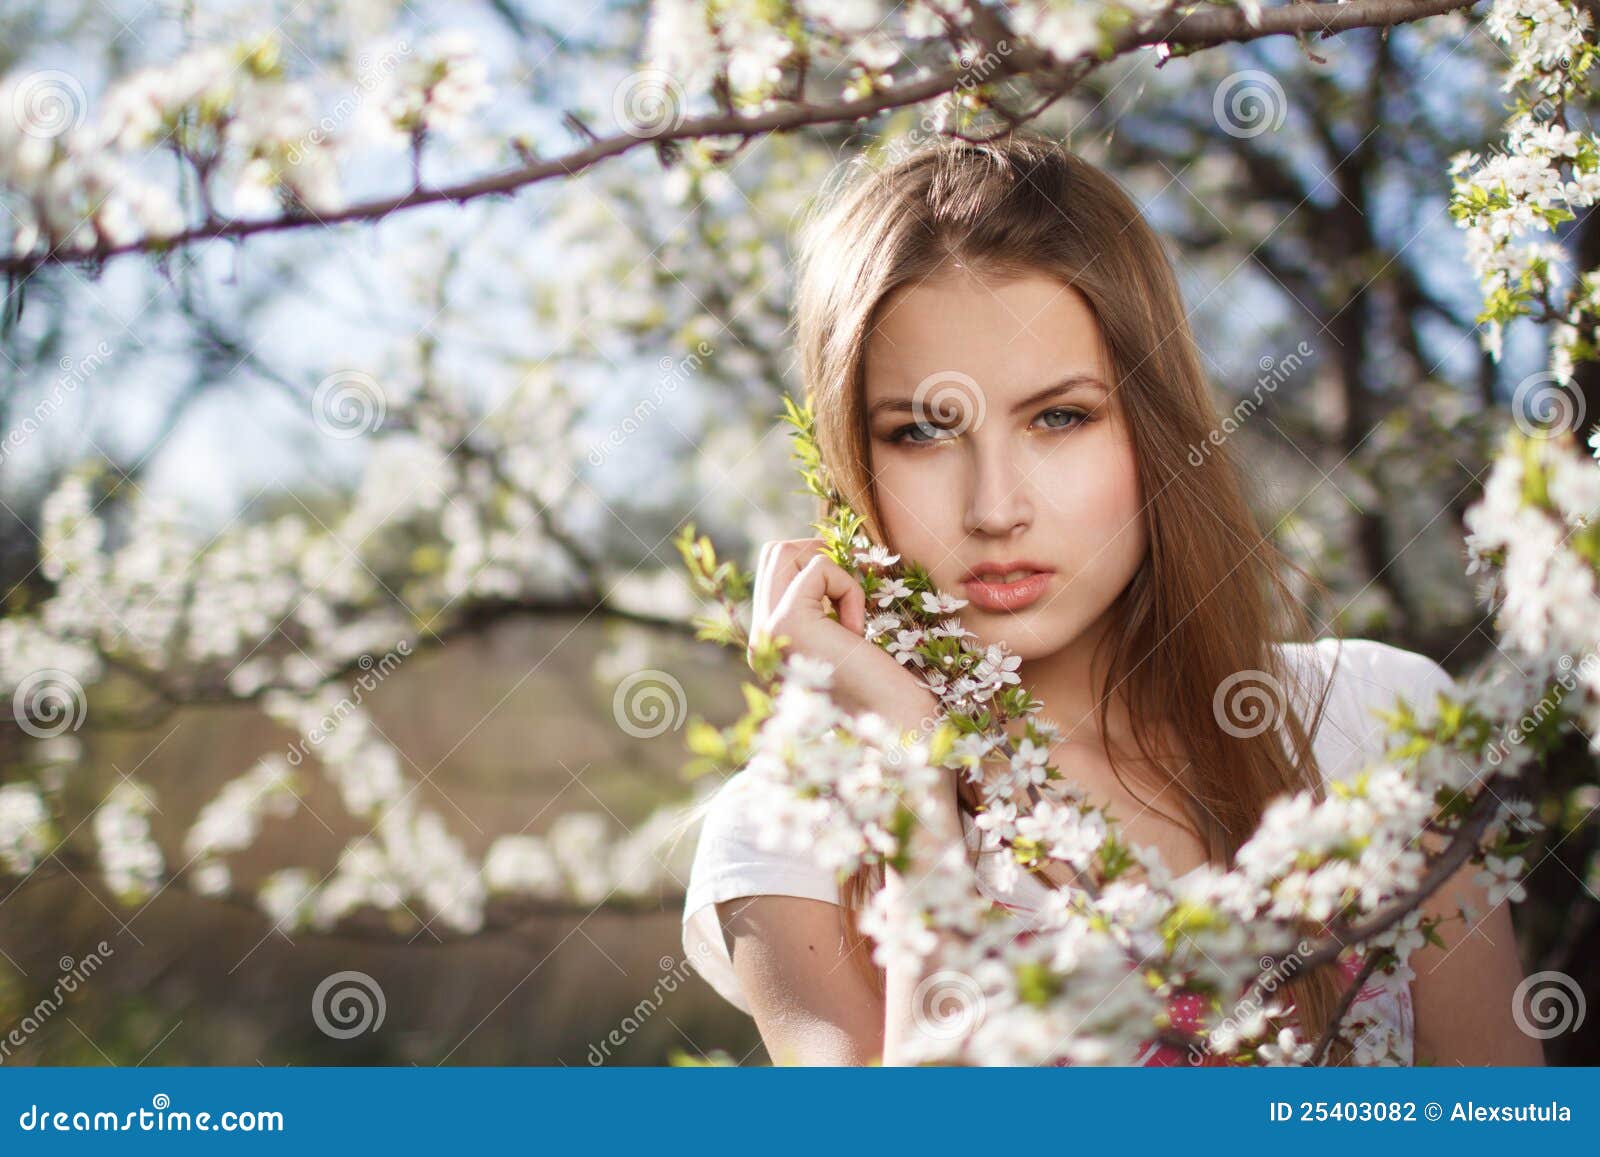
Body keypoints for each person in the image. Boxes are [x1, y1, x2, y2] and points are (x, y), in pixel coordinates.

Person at [681, 133, 1542, 1067]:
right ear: (854, 460)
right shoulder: (793, 846)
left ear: (1153, 426)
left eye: (1060, 417)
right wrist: (910, 784)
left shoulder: (1379, 726)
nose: (996, 508)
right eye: (923, 431)